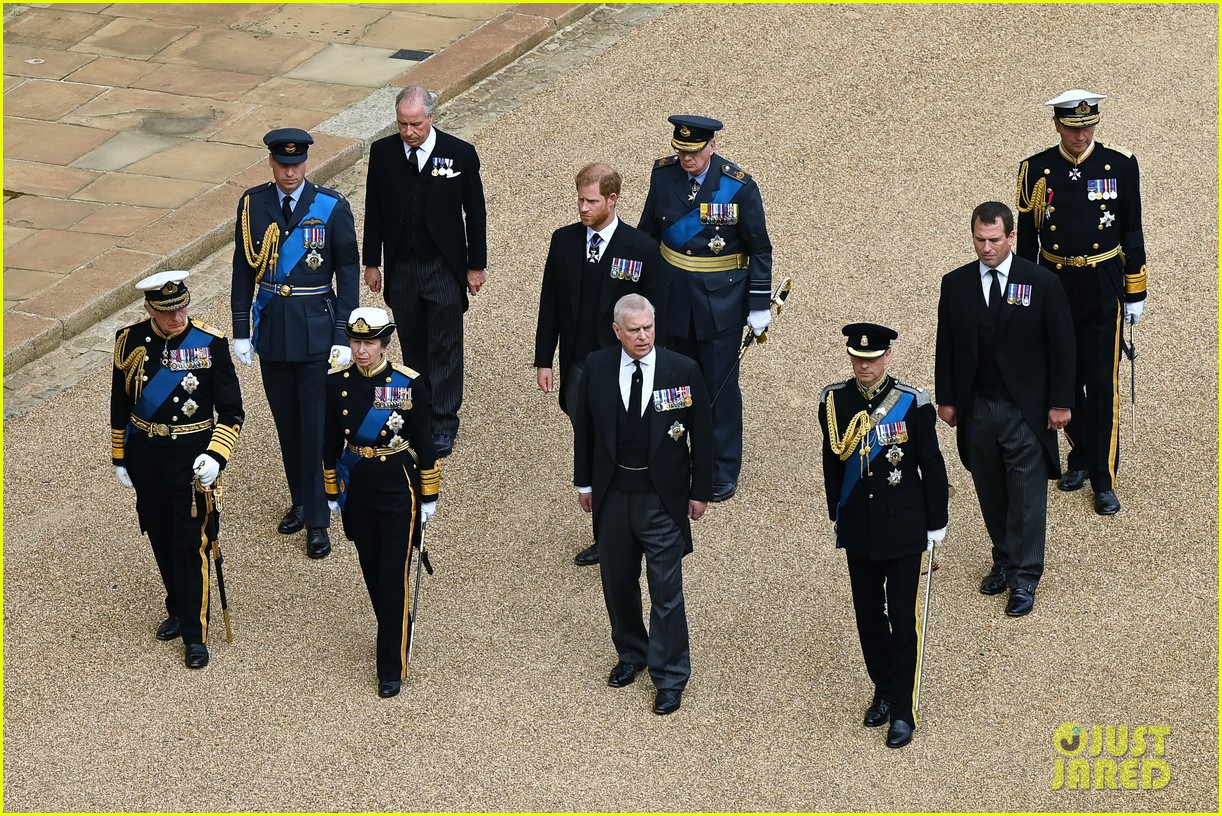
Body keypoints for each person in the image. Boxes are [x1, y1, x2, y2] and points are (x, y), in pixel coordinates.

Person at [572, 294, 712, 716]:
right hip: (613, 494)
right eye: (633, 330)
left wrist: (700, 491)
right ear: (617, 331)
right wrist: (584, 484)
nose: (643, 336)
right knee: (617, 582)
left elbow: (703, 434)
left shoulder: (682, 369)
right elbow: (586, 430)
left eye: (648, 327)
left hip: (662, 498)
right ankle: (632, 652)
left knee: (666, 590)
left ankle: (670, 676)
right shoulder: (597, 366)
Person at [935, 202, 1076, 618]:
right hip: (978, 408)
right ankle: (1004, 558)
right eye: (979, 240)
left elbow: (1062, 346)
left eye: (994, 239)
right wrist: (947, 398)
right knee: (991, 490)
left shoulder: (1042, 282)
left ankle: (1025, 577)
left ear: (1011, 237)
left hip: (1025, 410)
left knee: (1027, 496)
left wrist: (1061, 402)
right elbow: (947, 344)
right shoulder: (956, 284)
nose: (987, 248)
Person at [1016, 89, 1147, 516]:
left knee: (1102, 383)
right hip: (1055, 283)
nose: (1081, 135)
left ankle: (1104, 478)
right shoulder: (1036, 169)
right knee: (1063, 379)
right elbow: (1028, 243)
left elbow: (1132, 229)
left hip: (1102, 283)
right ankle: (1083, 452)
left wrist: (1136, 290)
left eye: (1088, 126)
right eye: (1073, 128)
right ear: (1057, 125)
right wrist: (1024, 297)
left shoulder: (1120, 165)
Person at [231, 127, 359, 559]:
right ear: (271, 162)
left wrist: (343, 333)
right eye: (283, 164)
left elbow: (348, 272)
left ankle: (319, 520)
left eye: (297, 164)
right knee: (287, 423)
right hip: (272, 328)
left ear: (307, 162)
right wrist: (241, 328)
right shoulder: (253, 204)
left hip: (316, 329)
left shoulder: (331, 206)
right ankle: (302, 500)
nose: (290, 172)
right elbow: (242, 269)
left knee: (316, 426)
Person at [819, 323, 949, 749]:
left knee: (904, 620)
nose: (865, 366)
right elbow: (832, 464)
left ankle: (903, 711)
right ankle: (885, 687)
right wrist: (837, 514)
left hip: (904, 527)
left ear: (887, 357)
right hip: (860, 527)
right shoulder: (834, 401)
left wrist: (937, 523)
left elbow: (931, 464)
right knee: (869, 615)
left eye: (873, 359)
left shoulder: (911, 402)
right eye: (858, 358)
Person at [534, 162, 670, 566]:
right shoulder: (563, 241)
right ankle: (608, 537)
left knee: (623, 448)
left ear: (612, 199)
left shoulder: (641, 248)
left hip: (625, 369)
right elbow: (550, 302)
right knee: (592, 447)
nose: (582, 208)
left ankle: (633, 531)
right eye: (580, 199)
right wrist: (544, 359)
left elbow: (657, 316)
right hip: (580, 367)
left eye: (591, 201)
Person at [111, 270, 244, 670]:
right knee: (160, 535)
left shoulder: (210, 343)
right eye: (167, 311)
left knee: (190, 543)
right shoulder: (129, 341)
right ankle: (179, 605)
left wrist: (216, 456)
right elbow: (120, 403)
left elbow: (232, 411)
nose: (177, 317)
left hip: (192, 458)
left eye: (182, 307)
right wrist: (120, 456)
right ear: (149, 309)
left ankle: (195, 633)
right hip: (147, 456)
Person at [637, 115, 773, 502]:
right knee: (672, 384)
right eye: (681, 151)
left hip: (720, 303)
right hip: (672, 299)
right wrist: (633, 290)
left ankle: (719, 469)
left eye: (694, 152)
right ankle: (672, 459)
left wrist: (758, 304)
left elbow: (760, 249)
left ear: (712, 146)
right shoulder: (663, 176)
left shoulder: (738, 187)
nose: (687, 159)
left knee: (719, 389)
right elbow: (648, 235)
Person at [362, 85, 488, 458]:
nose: (409, 132)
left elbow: (475, 212)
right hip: (401, 265)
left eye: (415, 124)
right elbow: (374, 208)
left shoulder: (459, 153)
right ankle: (420, 415)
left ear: (431, 117)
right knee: (413, 345)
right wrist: (372, 262)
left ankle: (444, 423)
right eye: (402, 124)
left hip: (443, 265)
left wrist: (476, 265)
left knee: (445, 346)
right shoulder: (382, 153)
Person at [322, 307, 440, 699]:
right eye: (356, 342)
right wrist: (331, 491)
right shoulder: (336, 382)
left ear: (384, 344)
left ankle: (391, 666)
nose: (361, 350)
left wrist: (429, 494)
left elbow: (424, 441)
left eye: (369, 343)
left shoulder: (407, 383)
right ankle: (395, 623)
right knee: (372, 570)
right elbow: (329, 442)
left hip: (397, 487)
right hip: (358, 486)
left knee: (392, 575)